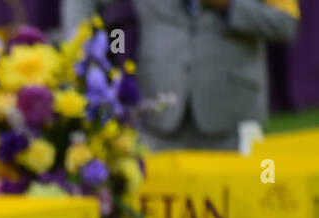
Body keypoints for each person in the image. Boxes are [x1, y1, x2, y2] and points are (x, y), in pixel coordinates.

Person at [61, 0, 299, 151]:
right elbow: (91, 8)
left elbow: (287, 24)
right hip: (155, 113)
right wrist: (89, 52)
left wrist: (230, 6)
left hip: (233, 117)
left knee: (241, 215)